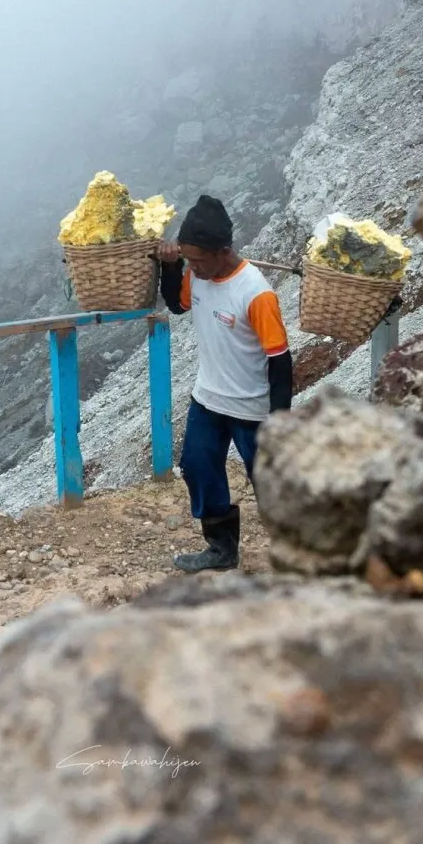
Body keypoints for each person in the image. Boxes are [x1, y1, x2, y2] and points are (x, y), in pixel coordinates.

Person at [156, 194, 293, 572]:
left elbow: (280, 361)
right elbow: (176, 304)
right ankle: (221, 548)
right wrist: (171, 267)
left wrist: (281, 420)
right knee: (198, 467)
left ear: (224, 251)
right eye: (189, 259)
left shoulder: (256, 293)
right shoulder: (195, 276)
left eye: (198, 260)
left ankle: (301, 549)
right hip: (208, 399)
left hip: (251, 407)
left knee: (269, 482)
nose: (194, 268)